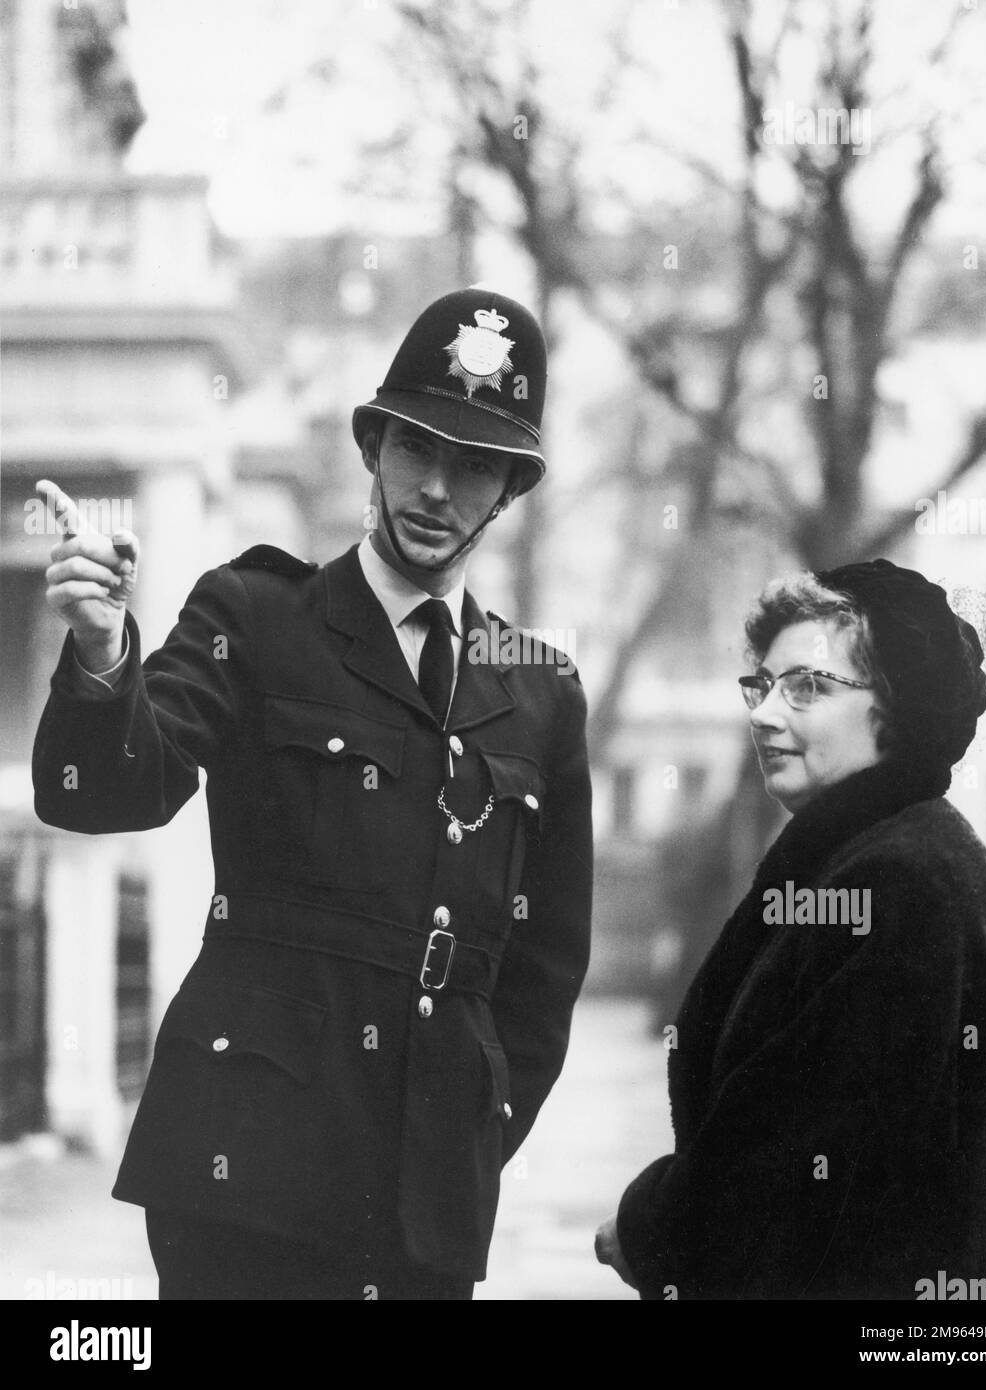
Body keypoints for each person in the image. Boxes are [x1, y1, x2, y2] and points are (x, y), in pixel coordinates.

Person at [33, 286, 593, 1300]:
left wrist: (475, 1125)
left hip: (425, 1202)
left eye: (473, 466)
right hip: (246, 1175)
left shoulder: (540, 690)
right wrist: (101, 650)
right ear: (372, 450)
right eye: (417, 449)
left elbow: (546, 966)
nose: (436, 489)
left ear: (507, 490)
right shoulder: (253, 614)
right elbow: (109, 791)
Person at [596, 560, 986, 1300]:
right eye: (762, 685)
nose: (765, 713)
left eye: (806, 686)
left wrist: (649, 1226)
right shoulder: (900, 853)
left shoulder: (898, 880)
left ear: (892, 710)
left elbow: (805, 1161)